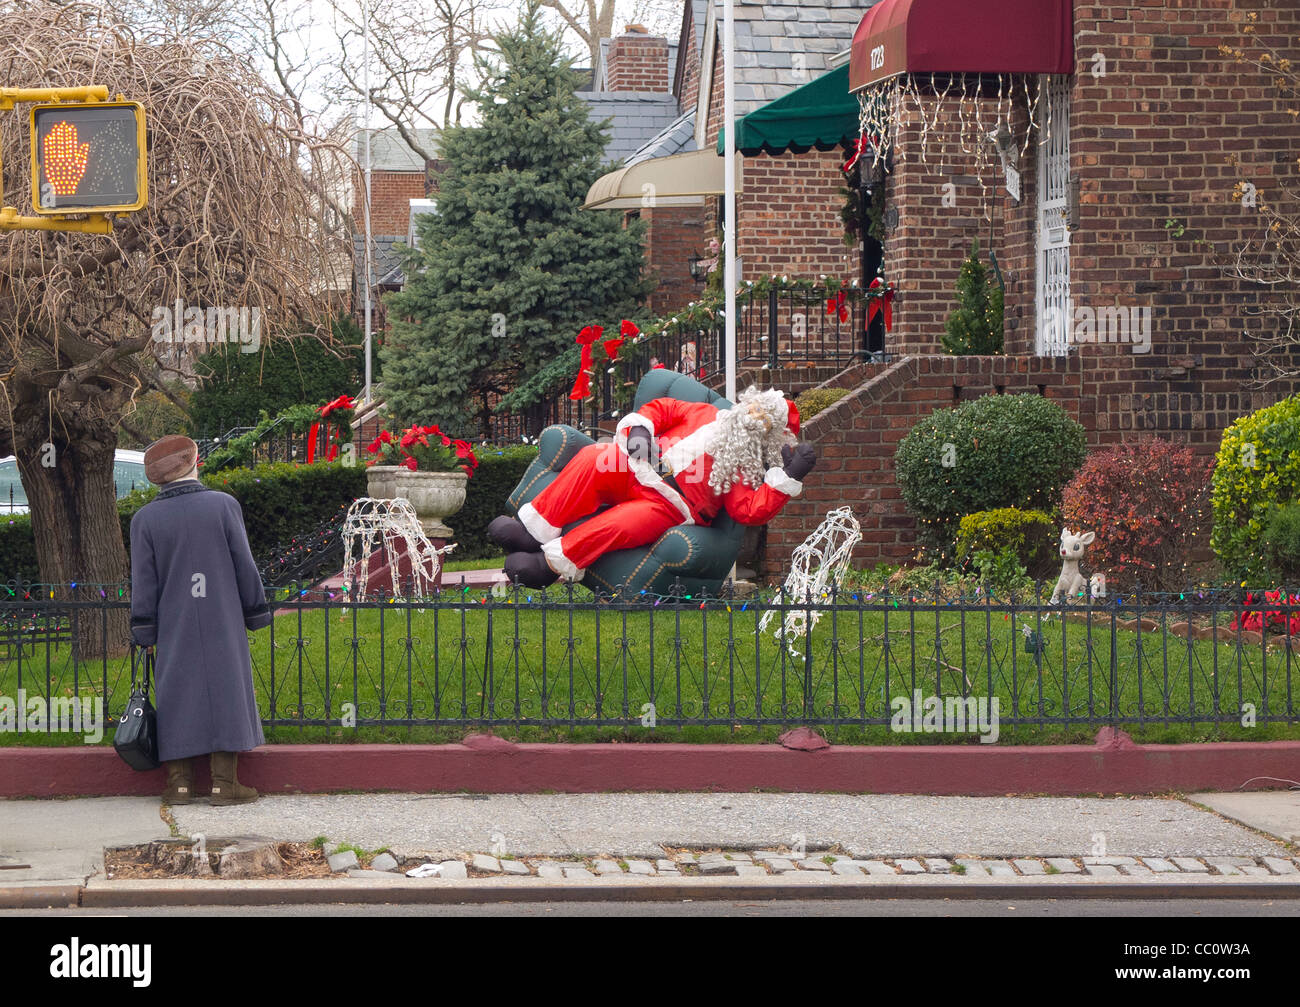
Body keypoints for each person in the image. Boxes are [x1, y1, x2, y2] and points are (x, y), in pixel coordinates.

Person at [488, 387, 816, 586]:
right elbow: (662, 409)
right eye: (757, 408)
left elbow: (749, 510)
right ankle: (534, 530)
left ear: (767, 433)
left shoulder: (744, 466)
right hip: (639, 465)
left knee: (619, 524)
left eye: (765, 420)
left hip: (672, 505)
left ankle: (547, 566)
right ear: (747, 403)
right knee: (593, 456)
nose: (754, 417)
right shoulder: (704, 413)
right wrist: (641, 431)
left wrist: (788, 479)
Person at [129, 435, 271, 805]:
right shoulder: (223, 506)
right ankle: (225, 782)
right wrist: (256, 610)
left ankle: (178, 783)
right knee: (226, 686)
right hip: (220, 612)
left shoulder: (144, 520)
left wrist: (144, 627)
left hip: (173, 618)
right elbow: (244, 564)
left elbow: (144, 581)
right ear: (194, 462)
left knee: (174, 689)